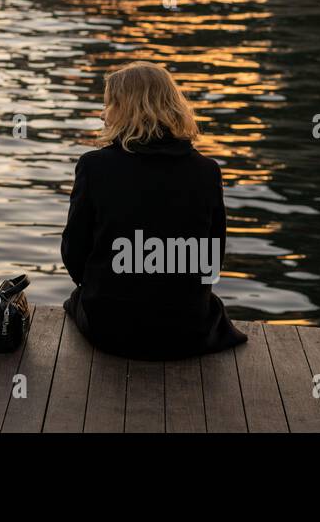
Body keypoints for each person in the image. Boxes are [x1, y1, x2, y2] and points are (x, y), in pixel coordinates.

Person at [61, 61, 246, 360]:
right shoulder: (207, 171)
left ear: (125, 109)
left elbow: (74, 257)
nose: (102, 114)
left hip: (112, 329)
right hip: (187, 329)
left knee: (78, 301)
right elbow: (210, 264)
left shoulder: (94, 167)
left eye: (109, 104)